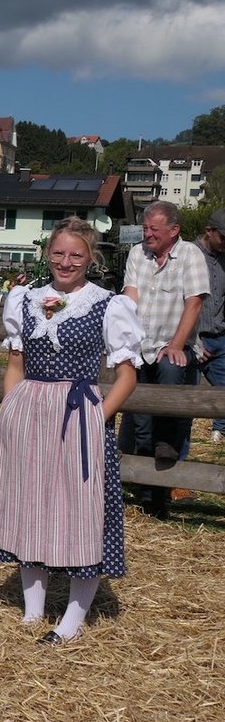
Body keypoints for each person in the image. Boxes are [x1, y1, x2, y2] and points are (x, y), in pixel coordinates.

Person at [0, 218, 141, 645]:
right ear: (47, 254)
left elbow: (126, 377)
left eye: (77, 254)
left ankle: (71, 621)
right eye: (58, 253)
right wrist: (11, 411)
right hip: (30, 413)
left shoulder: (108, 304)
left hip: (78, 415)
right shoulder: (24, 299)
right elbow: (15, 366)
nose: (66, 262)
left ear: (91, 258)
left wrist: (96, 417)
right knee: (30, 503)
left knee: (80, 512)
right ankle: (32, 612)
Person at [118, 201, 209, 518]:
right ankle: (148, 496)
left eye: (153, 229)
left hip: (173, 344)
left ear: (174, 230)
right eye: (145, 228)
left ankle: (164, 464)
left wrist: (176, 344)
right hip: (142, 348)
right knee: (141, 423)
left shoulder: (190, 255)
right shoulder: (136, 255)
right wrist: (125, 341)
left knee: (171, 374)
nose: (147, 234)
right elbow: (131, 297)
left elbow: (194, 303)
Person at [194, 209, 225, 444]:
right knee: (185, 395)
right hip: (191, 338)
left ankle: (219, 431)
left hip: (219, 334)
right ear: (209, 231)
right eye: (223, 237)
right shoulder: (188, 255)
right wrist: (191, 339)